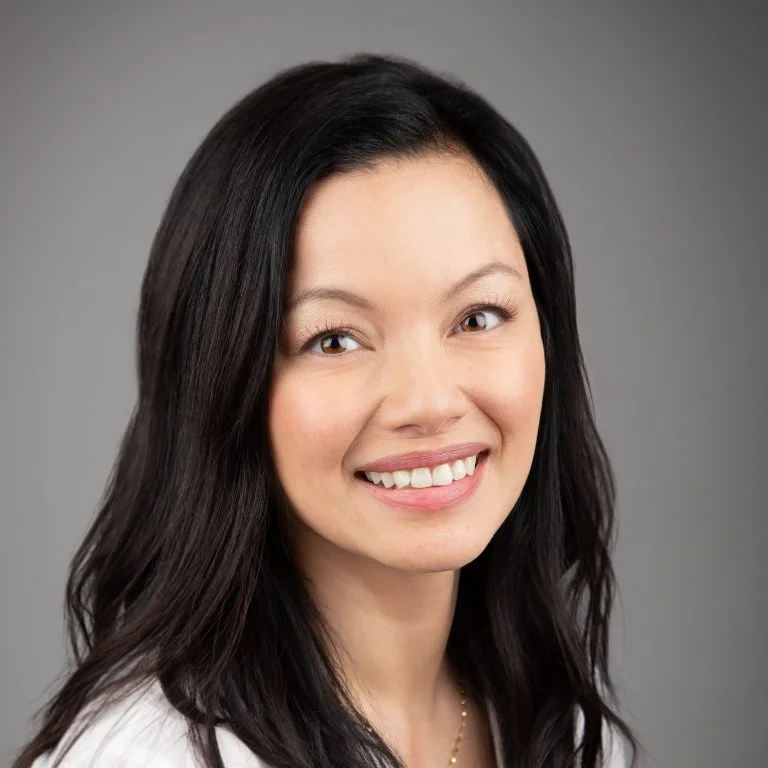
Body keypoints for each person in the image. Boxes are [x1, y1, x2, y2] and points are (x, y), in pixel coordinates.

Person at [14, 53, 637, 768]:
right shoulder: (153, 754)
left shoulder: (567, 724)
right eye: (335, 339)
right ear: (224, 383)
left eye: (478, 317)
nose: (429, 403)